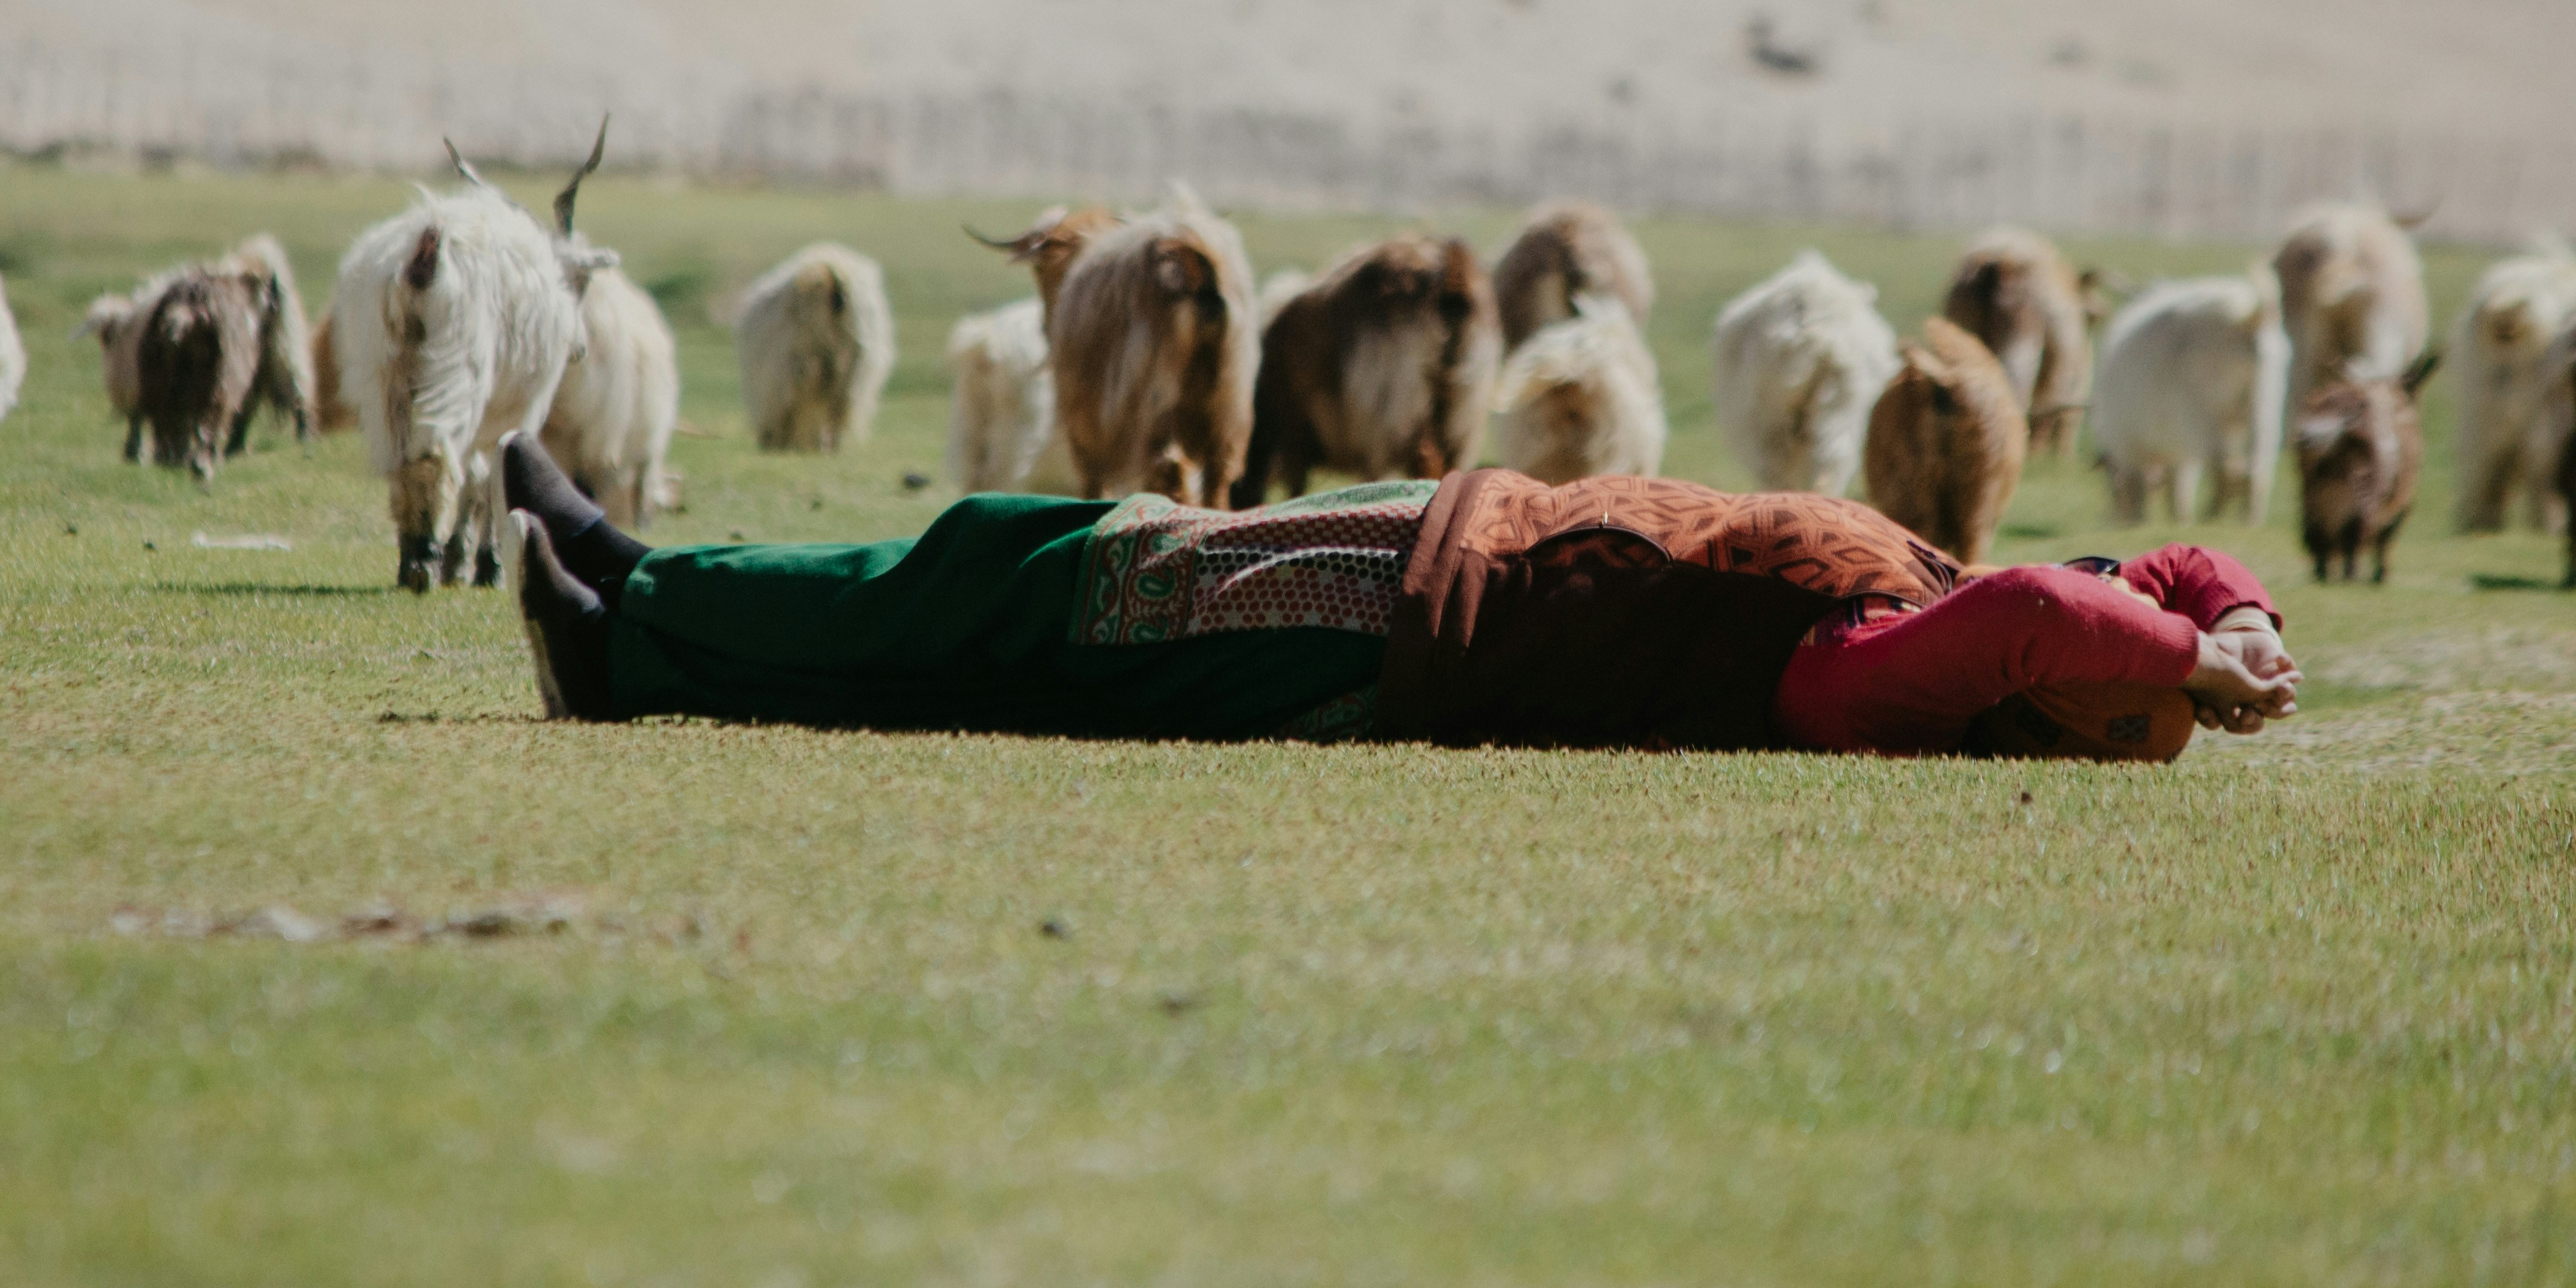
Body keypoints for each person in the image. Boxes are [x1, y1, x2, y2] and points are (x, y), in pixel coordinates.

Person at [495, 434, 2300, 761]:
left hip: (1402, 629)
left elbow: (2055, 625)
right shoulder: (1946, 593)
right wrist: (2237, 624)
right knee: (1024, 562)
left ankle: (632, 640)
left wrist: (2184, 670)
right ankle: (654, 584)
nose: (2097, 579)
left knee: (1043, 601)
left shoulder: (1884, 677)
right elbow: (2126, 584)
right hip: (1438, 537)